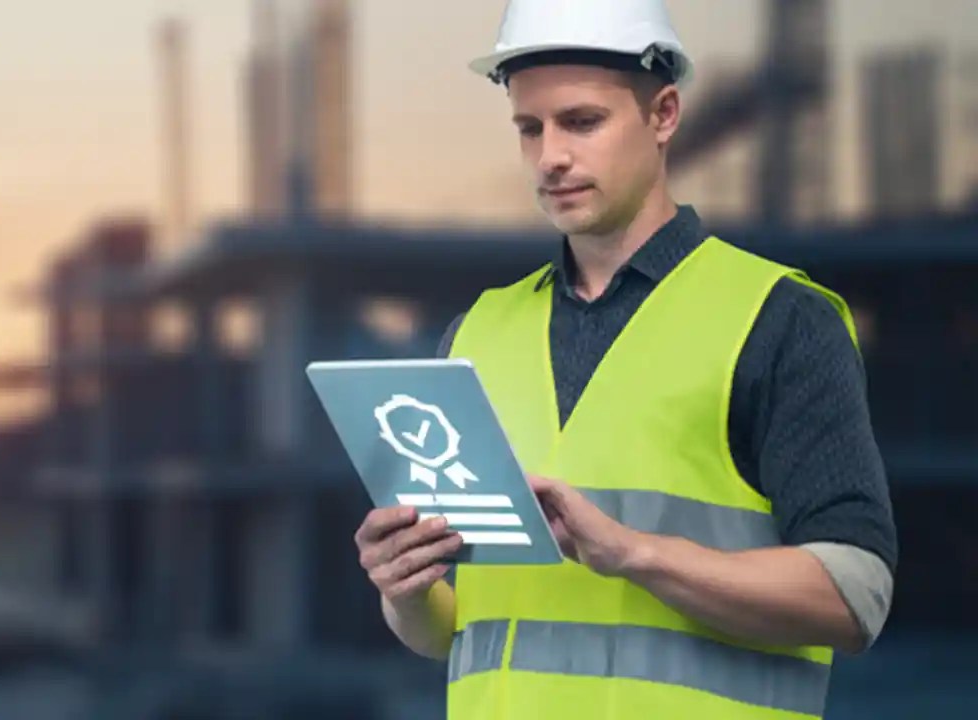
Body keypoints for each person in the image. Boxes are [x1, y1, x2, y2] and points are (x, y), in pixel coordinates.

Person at [351, 1, 898, 718]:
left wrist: (634, 553)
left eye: (581, 122)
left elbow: (855, 596)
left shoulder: (778, 321)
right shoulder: (475, 336)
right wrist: (405, 592)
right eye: (529, 128)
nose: (550, 156)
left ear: (664, 114)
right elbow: (459, 631)